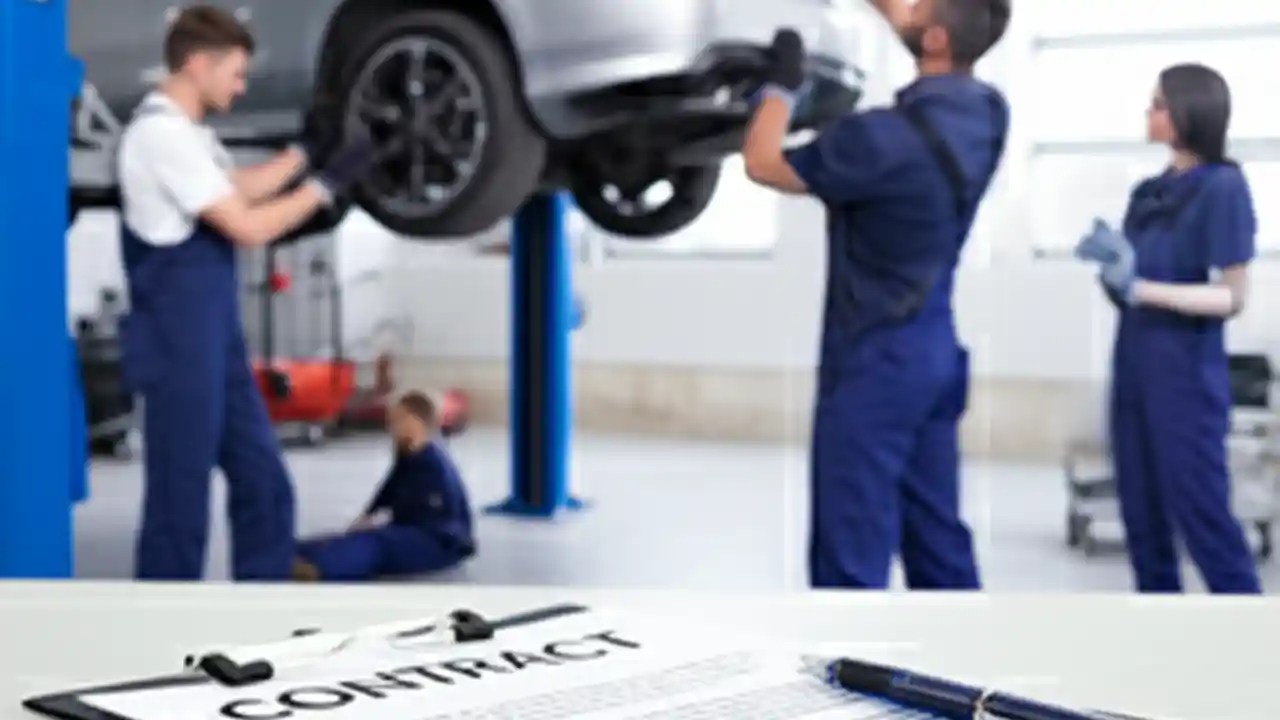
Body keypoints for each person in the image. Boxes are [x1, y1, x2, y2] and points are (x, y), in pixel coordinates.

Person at [741, 0, 1011, 589]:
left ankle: (849, 668)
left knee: (850, 554)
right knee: (937, 538)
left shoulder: (876, 142)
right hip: (936, 353)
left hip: (872, 366)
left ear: (935, 38)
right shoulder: (989, 116)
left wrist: (780, 89)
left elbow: (762, 163)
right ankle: (966, 669)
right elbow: (925, 31)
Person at [116, 5, 376, 580]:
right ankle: (158, 629)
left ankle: (262, 610)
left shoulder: (189, 136)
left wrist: (308, 152)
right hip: (175, 346)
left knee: (264, 480)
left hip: (216, 343)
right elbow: (247, 225)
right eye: (234, 73)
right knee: (178, 503)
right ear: (196, 65)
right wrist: (328, 185)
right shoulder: (157, 135)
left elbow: (237, 188)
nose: (241, 86)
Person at [1074, 64, 1263, 595]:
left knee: (1202, 515)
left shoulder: (1224, 187)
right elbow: (1129, 283)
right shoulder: (1147, 193)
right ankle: (1159, 636)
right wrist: (1112, 271)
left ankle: (1252, 639)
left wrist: (1142, 289)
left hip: (1185, 375)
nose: (1149, 113)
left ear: (1189, 112)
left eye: (1158, 104)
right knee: (1141, 518)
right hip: (1133, 366)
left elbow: (1231, 296)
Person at [293, 391, 476, 581]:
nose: (391, 427)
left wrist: (378, 524)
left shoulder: (433, 462)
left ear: (416, 423)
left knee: (374, 544)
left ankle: (316, 569)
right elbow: (389, 490)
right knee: (345, 539)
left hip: (439, 542)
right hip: (412, 531)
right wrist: (365, 518)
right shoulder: (409, 455)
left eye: (397, 420)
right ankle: (289, 553)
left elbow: (431, 515)